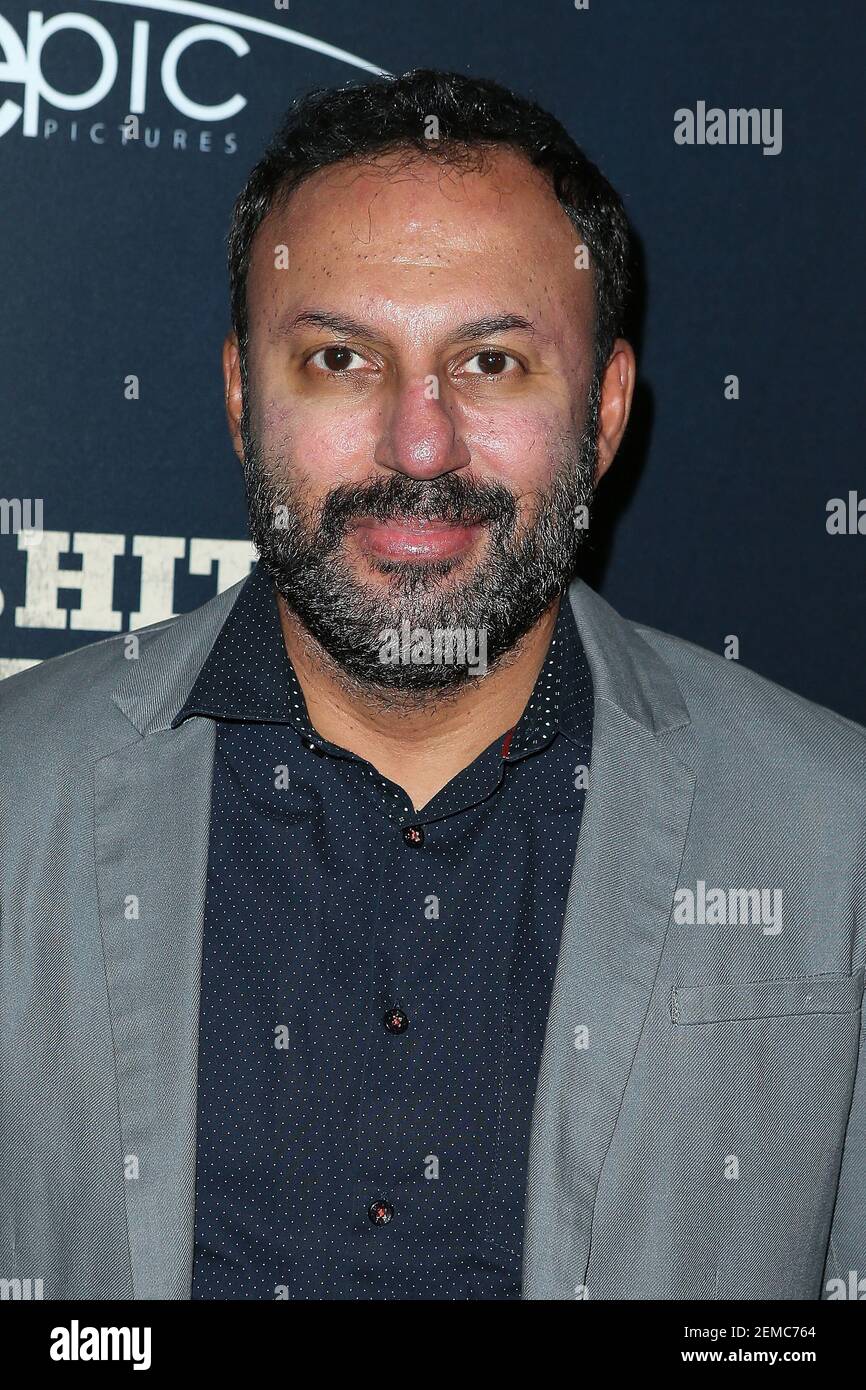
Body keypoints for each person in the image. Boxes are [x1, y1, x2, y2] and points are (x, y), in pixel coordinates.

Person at [1, 69, 863, 1301]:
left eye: (494, 363)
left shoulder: (834, 835)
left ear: (606, 411)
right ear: (245, 398)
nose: (420, 445)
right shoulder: (14, 797)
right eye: (342, 357)